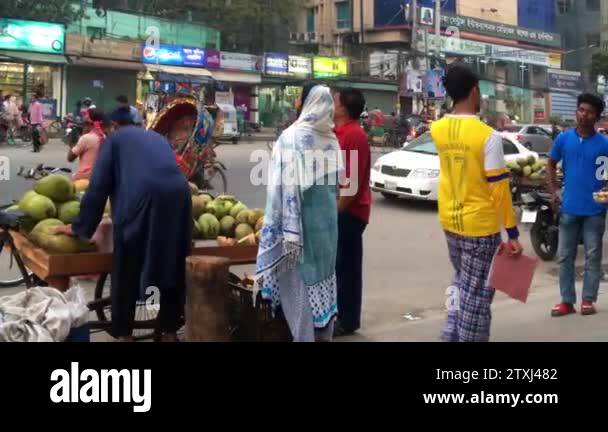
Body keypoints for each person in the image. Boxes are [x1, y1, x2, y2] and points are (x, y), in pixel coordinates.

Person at [54, 107, 192, 342]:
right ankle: (169, 332)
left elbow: (98, 188)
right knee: (172, 262)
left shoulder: (114, 141)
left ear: (113, 127)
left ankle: (124, 335)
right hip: (180, 195)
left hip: (142, 199)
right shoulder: (156, 138)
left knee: (127, 265)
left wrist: (80, 228)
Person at [430, 65, 523, 342]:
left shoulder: (438, 129)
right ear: (474, 91)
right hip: (479, 228)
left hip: (450, 220)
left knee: (461, 282)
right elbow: (498, 189)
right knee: (478, 298)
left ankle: (450, 333)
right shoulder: (488, 136)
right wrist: (512, 232)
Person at [256, 83, 342, 342]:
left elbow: (280, 191)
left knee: (299, 294)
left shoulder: (291, 138)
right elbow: (336, 189)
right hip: (326, 233)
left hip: (299, 235)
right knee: (322, 286)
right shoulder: (331, 139)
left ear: (304, 103)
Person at [547, 94, 608, 317]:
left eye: (589, 111)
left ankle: (588, 300)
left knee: (593, 255)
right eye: (581, 110)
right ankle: (566, 301)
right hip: (569, 208)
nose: (584, 114)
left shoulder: (604, 144)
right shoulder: (564, 139)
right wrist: (554, 191)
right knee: (565, 256)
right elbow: (551, 164)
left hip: (595, 210)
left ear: (597, 117)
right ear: (576, 112)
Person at [333, 88, 371, 336]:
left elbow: (353, 184)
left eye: (335, 101)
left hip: (350, 212)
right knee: (337, 267)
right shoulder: (337, 133)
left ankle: (348, 320)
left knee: (347, 268)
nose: (332, 105)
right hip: (339, 208)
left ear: (344, 108)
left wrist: (335, 212)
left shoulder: (354, 135)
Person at [67, 108, 107, 181]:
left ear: (87, 122)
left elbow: (70, 158)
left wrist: (72, 141)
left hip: (85, 177)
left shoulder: (86, 138)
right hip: (101, 177)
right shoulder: (105, 137)